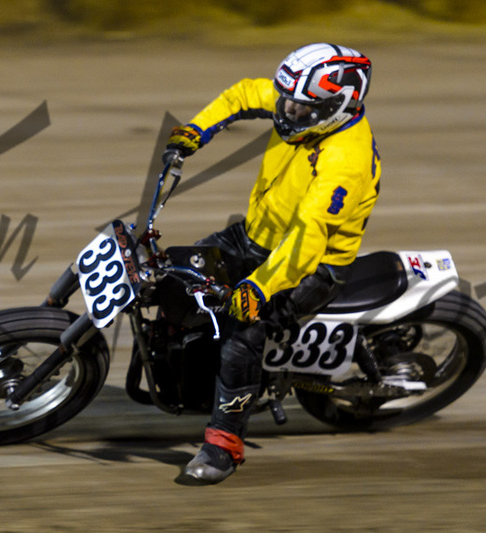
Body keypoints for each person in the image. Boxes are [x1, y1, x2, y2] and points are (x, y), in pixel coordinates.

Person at [164, 43, 381, 484]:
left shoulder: (345, 161)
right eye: (286, 101)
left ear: (337, 106)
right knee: (172, 276)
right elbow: (245, 94)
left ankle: (223, 445)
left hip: (310, 267)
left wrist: (259, 289)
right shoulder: (303, 105)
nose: (286, 113)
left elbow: (307, 238)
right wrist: (196, 130)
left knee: (242, 339)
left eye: (300, 109)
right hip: (254, 236)